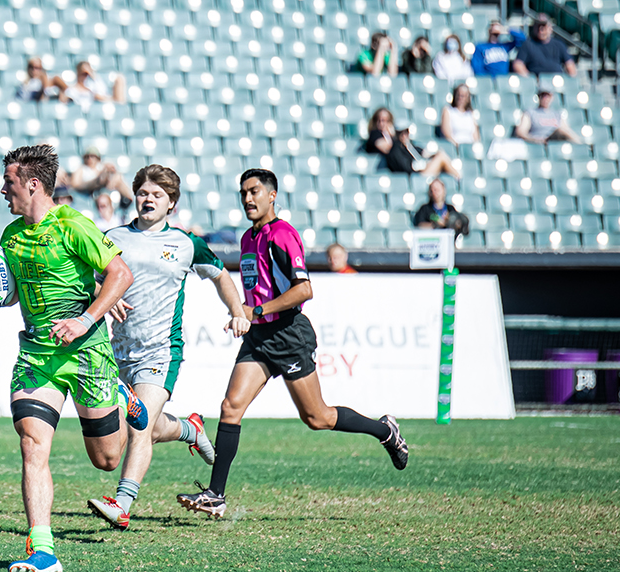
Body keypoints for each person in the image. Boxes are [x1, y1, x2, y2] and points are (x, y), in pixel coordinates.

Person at [177, 169, 408, 519]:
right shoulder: (247, 239)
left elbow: (304, 290)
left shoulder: (283, 234)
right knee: (230, 407)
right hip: (260, 336)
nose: (247, 199)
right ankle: (216, 495)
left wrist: (256, 311)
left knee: (317, 417)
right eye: (243, 193)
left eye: (254, 191)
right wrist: (245, 315)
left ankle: (385, 430)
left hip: (288, 333)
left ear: (272, 195)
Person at [0, 143, 144, 572]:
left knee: (106, 460)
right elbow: (6, 297)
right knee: (31, 444)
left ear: (33, 184)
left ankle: (118, 393)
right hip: (37, 355)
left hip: (88, 353)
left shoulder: (73, 225)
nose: (2, 191)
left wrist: (86, 318)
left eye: (9, 183)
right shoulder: (9, 236)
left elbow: (121, 274)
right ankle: (43, 549)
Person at [86, 164, 246, 531]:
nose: (148, 199)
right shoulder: (112, 238)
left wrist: (237, 310)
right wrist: (103, 297)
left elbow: (221, 275)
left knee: (140, 426)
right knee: (140, 426)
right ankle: (190, 429)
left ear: (171, 203)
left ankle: (122, 503)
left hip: (161, 352)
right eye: (143, 193)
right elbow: (90, 281)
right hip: (118, 351)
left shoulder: (187, 244)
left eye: (157, 195)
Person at [364, 108, 461, 180]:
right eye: (401, 133)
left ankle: (457, 181)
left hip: (419, 174)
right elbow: (406, 168)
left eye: (406, 132)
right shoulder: (393, 148)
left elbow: (421, 151)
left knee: (440, 154)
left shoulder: (406, 146)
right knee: (441, 158)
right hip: (416, 177)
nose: (382, 124)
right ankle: (459, 180)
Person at [64, 146, 134, 201]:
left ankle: (129, 199)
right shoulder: (81, 169)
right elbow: (75, 185)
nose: (90, 159)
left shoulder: (101, 167)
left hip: (104, 187)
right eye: (87, 157)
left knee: (117, 177)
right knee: (101, 178)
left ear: (97, 158)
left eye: (92, 156)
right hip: (88, 190)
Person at [515, 89, 583, 144]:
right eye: (543, 96)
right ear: (539, 97)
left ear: (552, 97)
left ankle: (581, 145)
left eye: (548, 96)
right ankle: (582, 146)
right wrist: (535, 139)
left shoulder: (557, 114)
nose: (545, 99)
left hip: (554, 141)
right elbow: (521, 132)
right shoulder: (530, 112)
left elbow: (565, 129)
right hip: (538, 140)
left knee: (562, 131)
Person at [439, 84, 481, 150]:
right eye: (459, 95)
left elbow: (475, 136)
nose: (460, 98)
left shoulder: (470, 114)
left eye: (463, 96)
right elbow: (447, 132)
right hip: (455, 145)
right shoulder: (448, 111)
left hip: (469, 146)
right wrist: (457, 145)